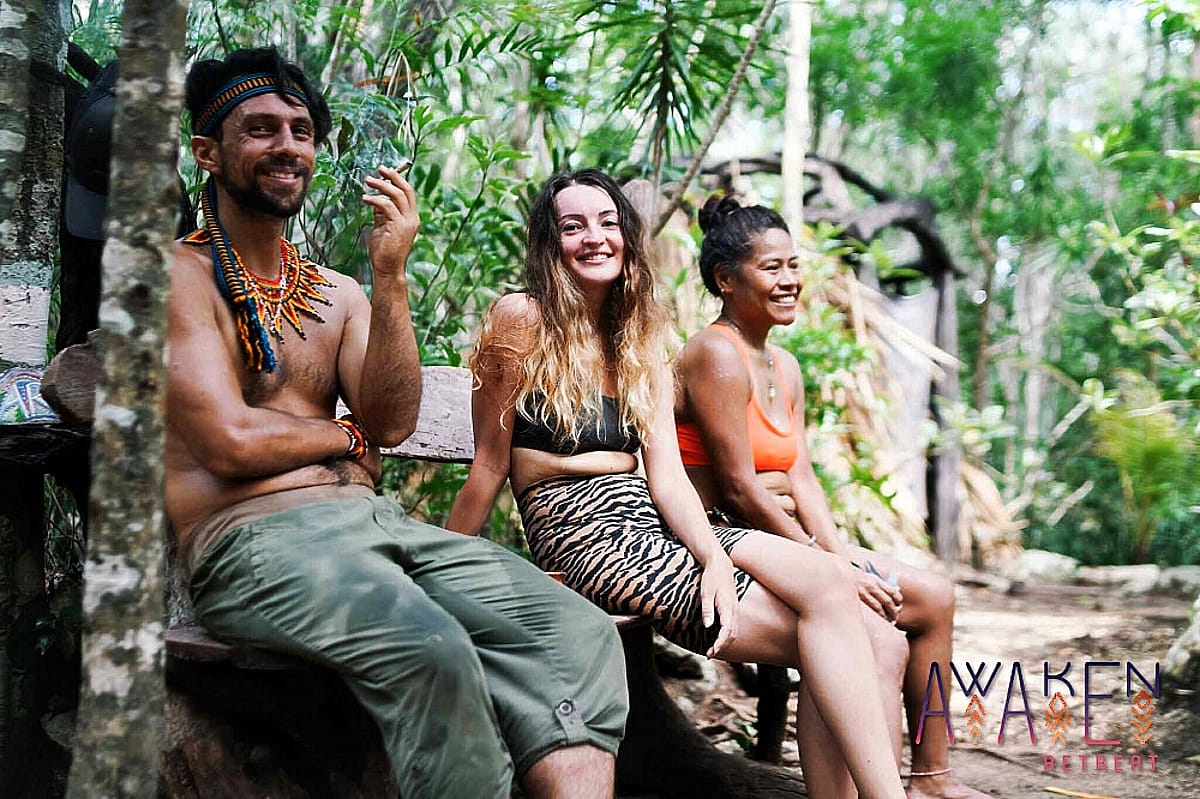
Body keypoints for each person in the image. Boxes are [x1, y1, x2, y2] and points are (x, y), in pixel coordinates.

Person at [165, 48, 627, 799]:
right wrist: (345, 439)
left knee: (576, 630)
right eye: (261, 129)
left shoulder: (337, 291)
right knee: (434, 649)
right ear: (208, 153)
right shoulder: (179, 280)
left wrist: (390, 276)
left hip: (378, 527)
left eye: (302, 129)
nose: (288, 145)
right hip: (252, 545)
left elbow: (393, 418)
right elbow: (230, 440)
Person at [447, 168, 910, 799]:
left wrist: (715, 558)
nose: (595, 237)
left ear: (628, 237)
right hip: (582, 535)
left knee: (875, 631)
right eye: (573, 225)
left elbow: (666, 477)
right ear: (549, 242)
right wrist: (443, 571)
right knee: (844, 626)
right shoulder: (520, 320)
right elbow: (489, 466)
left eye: (609, 222)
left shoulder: (638, 334)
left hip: (653, 521)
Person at [674, 194, 989, 799]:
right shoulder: (715, 352)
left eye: (794, 264)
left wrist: (842, 554)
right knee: (874, 629)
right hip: (718, 542)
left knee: (931, 596)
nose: (790, 279)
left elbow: (801, 478)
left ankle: (932, 779)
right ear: (725, 279)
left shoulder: (783, 364)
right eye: (772, 268)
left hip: (779, 539)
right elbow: (739, 488)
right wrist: (830, 567)